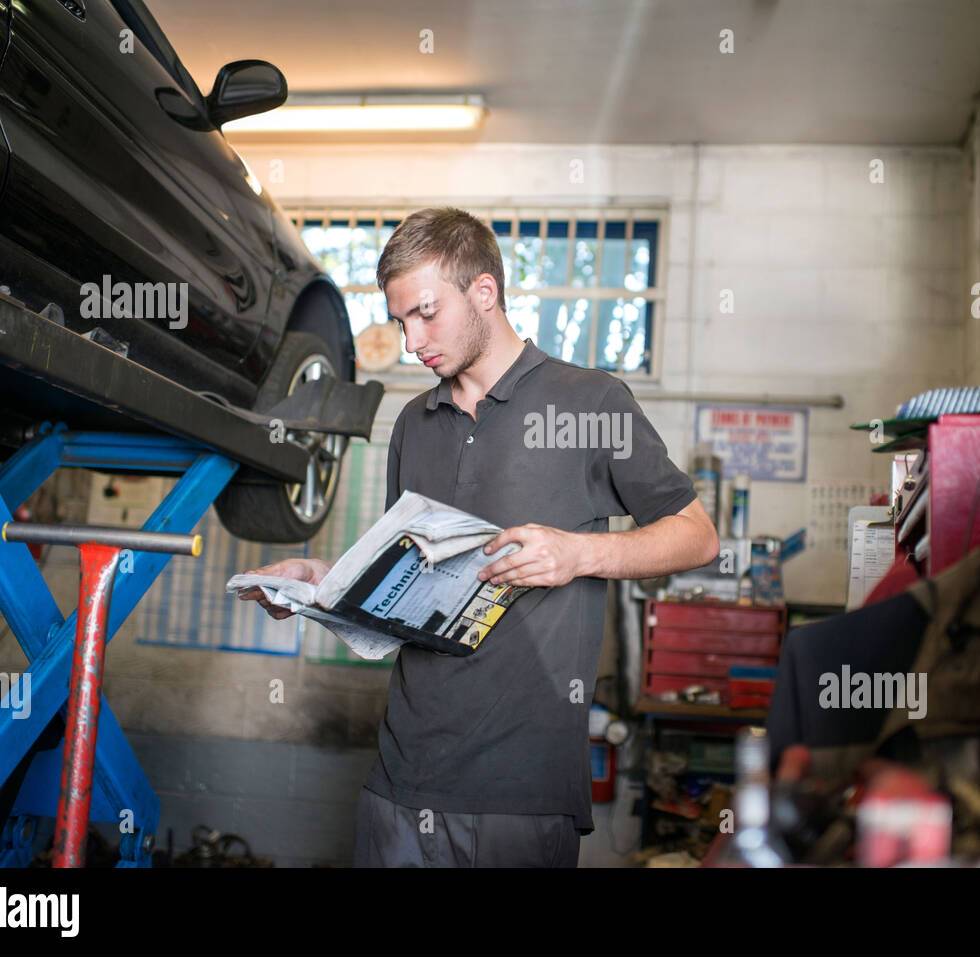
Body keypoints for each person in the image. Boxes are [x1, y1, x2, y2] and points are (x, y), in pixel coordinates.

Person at [242, 207, 718, 867]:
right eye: (400, 319)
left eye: (426, 313)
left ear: (485, 293)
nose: (412, 341)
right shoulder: (413, 423)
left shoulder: (590, 402)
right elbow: (399, 590)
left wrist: (579, 552)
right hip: (400, 782)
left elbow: (697, 537)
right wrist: (323, 584)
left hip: (520, 794)